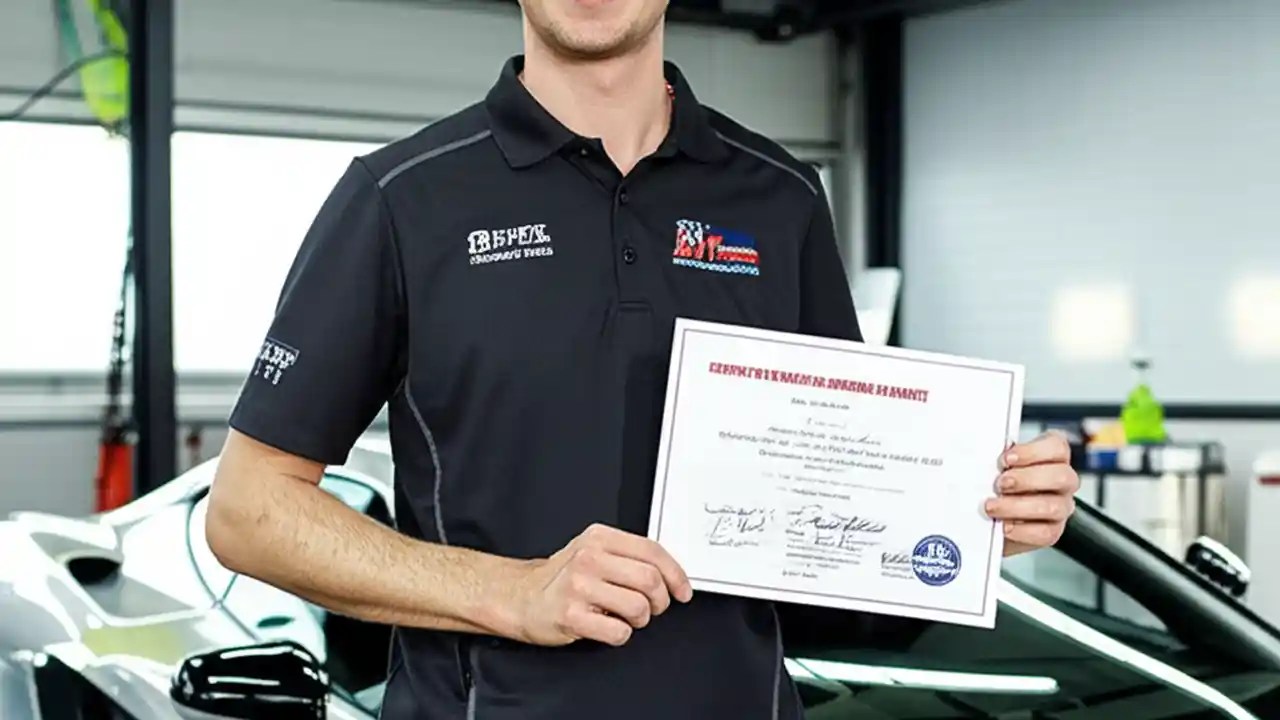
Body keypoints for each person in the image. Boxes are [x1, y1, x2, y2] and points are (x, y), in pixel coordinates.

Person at [206, 1, 1081, 718]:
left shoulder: (779, 198)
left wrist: (973, 516)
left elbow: (830, 512)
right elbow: (247, 510)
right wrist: (513, 593)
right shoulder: (403, 199)